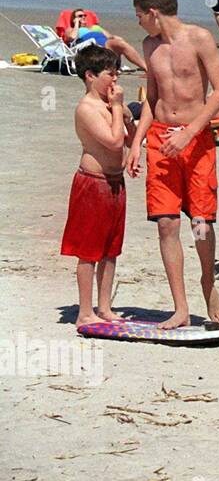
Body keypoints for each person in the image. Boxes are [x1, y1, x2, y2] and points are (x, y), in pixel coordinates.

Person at [126, 0, 219, 329]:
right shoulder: (149, 45)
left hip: (196, 139)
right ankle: (180, 307)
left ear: (153, 13)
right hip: (160, 140)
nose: (138, 22)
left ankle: (207, 281)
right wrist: (137, 143)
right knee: (167, 223)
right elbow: (151, 101)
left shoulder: (199, 38)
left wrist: (190, 132)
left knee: (200, 222)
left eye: (140, 16)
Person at [61, 45, 133, 326]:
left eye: (117, 74)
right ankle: (84, 311)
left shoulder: (110, 106)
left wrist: (126, 116)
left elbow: (127, 139)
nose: (115, 81)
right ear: (91, 76)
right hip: (92, 183)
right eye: (110, 75)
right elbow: (113, 141)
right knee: (88, 251)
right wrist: (117, 108)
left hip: (115, 182)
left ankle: (104, 307)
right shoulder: (87, 108)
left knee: (111, 249)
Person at [64, 8, 148, 71]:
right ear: (73, 19)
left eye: (84, 15)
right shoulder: (71, 29)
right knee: (121, 45)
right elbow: (72, 37)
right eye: (79, 16)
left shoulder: (95, 27)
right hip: (94, 47)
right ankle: (146, 68)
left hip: (105, 43)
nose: (83, 17)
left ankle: (145, 67)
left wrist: (118, 38)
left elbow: (110, 36)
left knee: (121, 42)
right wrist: (76, 24)